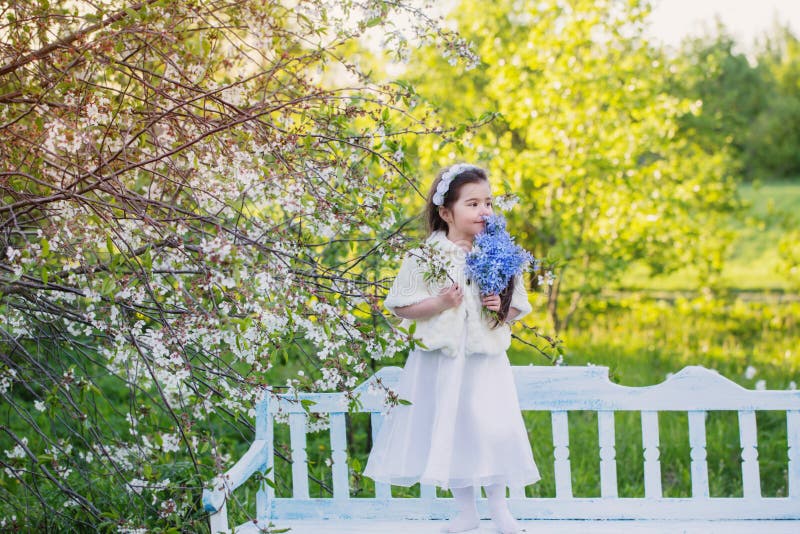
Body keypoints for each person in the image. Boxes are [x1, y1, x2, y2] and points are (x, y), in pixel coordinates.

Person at [363, 163, 541, 534]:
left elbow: (516, 306)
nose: (484, 212)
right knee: (453, 430)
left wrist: (502, 309)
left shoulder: (499, 252)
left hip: (484, 362)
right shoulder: (425, 256)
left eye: (488, 203)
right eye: (472, 204)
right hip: (442, 361)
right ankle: (466, 511)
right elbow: (401, 305)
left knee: (492, 429)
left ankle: (499, 509)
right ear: (446, 212)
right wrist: (440, 303)